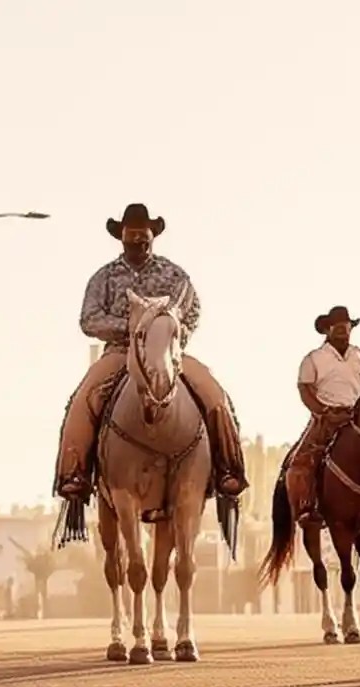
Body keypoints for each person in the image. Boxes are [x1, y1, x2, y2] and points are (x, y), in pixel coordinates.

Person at [53, 203, 248, 517]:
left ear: (152, 235)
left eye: (143, 234)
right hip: (120, 352)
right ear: (121, 236)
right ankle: (74, 473)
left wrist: (169, 334)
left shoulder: (174, 275)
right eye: (131, 234)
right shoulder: (104, 277)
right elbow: (88, 320)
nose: (137, 240)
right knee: (82, 399)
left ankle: (228, 469)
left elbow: (192, 311)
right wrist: (131, 327)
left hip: (167, 352)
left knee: (215, 394)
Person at [287, 306, 360, 526]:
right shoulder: (314, 358)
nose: (340, 328)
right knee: (302, 461)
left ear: (350, 327)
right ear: (327, 329)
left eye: (344, 324)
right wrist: (323, 412)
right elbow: (305, 389)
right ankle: (308, 506)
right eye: (335, 325)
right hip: (327, 417)